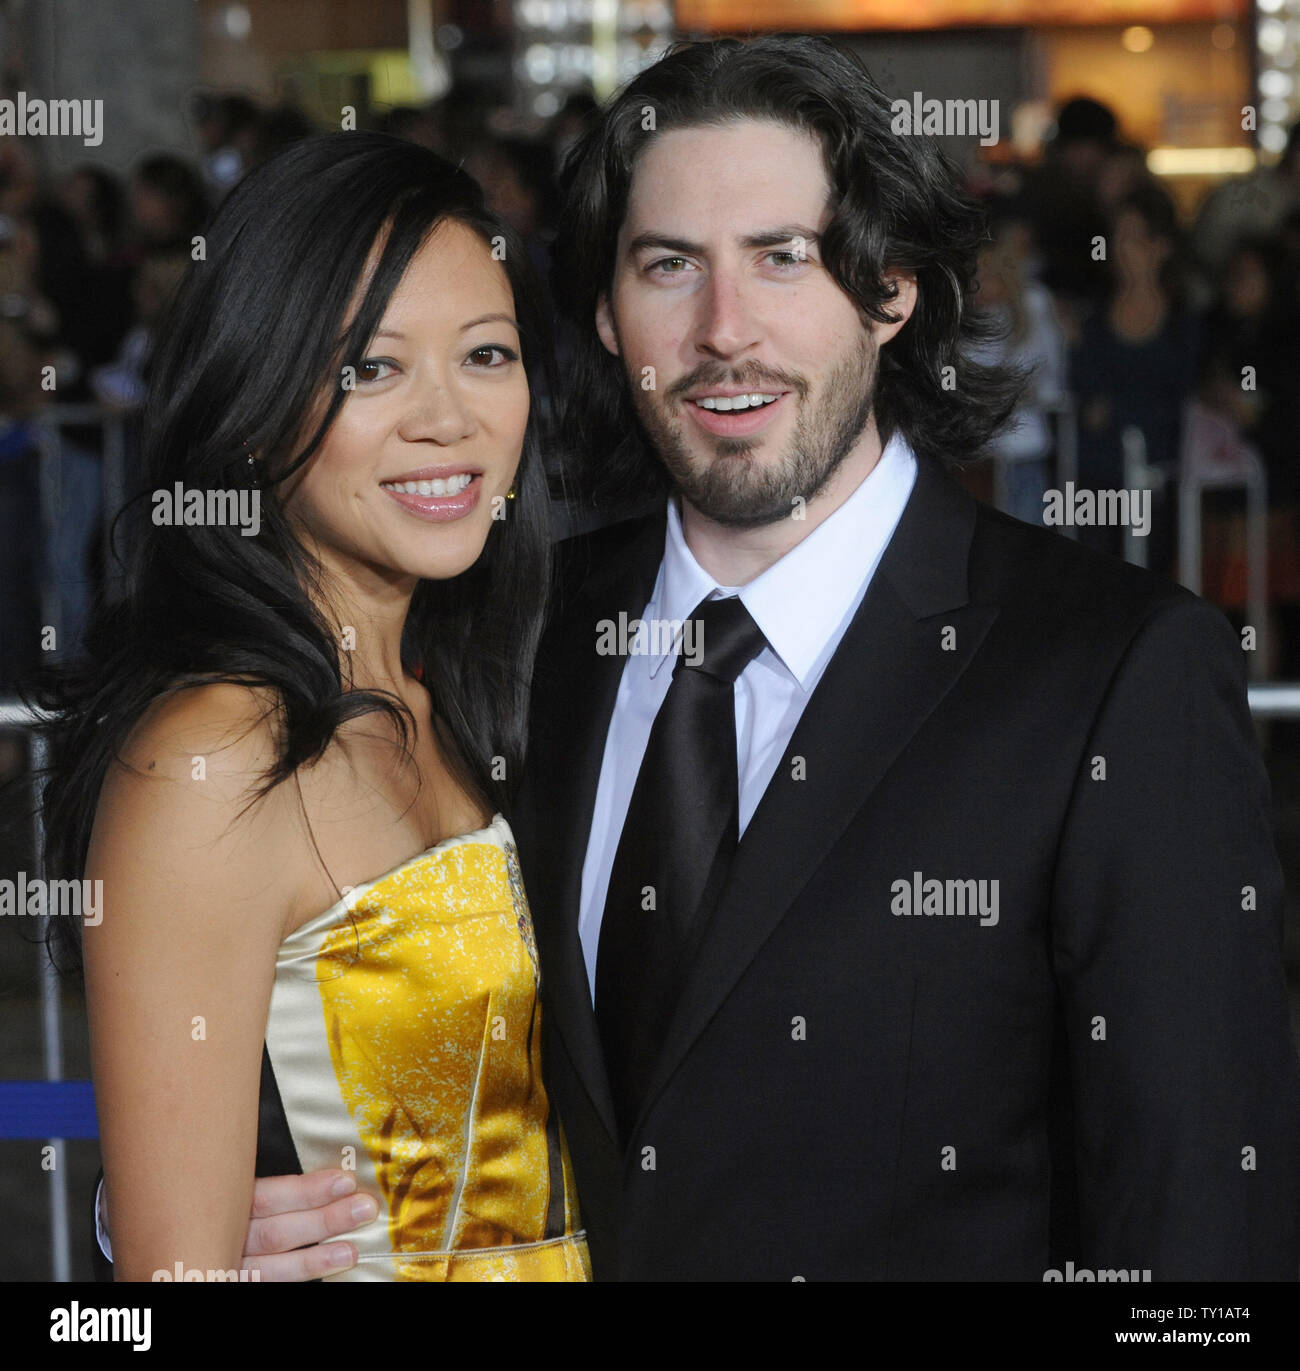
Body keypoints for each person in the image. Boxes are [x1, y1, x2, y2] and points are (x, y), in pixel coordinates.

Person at [127, 36, 1300, 1281]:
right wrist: (177, 1234)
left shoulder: (1112, 673)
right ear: (602, 310)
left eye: (782, 258)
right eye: (668, 266)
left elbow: (1200, 1225)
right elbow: (371, 1020)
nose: (723, 331)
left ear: (890, 289)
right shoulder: (509, 629)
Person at [43, 132, 588, 1280]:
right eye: (372, 370)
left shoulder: (480, 691)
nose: (448, 420)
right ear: (253, 402)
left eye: (486, 355)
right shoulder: (214, 759)